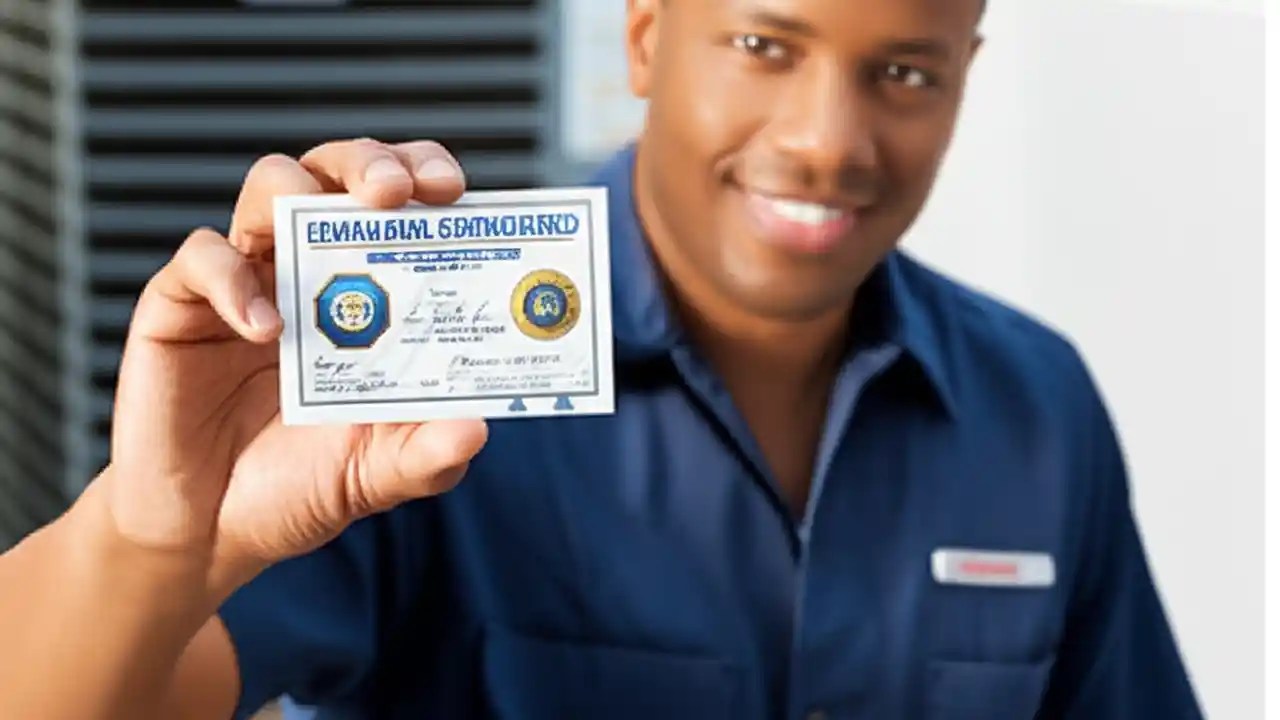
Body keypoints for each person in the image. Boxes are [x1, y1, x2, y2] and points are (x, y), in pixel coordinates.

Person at [0, 0, 1204, 718]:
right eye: (760, 42)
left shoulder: (1038, 407)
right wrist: (157, 537)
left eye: (903, 74)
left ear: (961, 85)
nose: (827, 142)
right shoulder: (405, 398)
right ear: (642, 37)